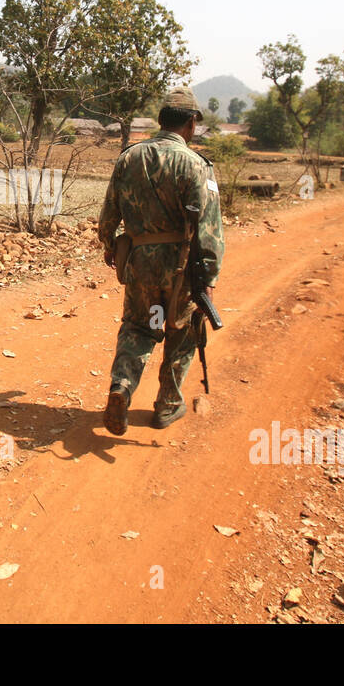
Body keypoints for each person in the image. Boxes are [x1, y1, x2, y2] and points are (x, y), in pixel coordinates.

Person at [97, 86, 224, 435]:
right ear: (192, 124)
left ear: (162, 120)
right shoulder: (198, 166)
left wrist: (109, 243)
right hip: (182, 267)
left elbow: (110, 210)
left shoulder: (130, 157)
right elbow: (209, 229)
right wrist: (209, 276)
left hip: (140, 261)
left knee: (139, 327)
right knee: (180, 333)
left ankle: (121, 386)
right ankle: (167, 405)